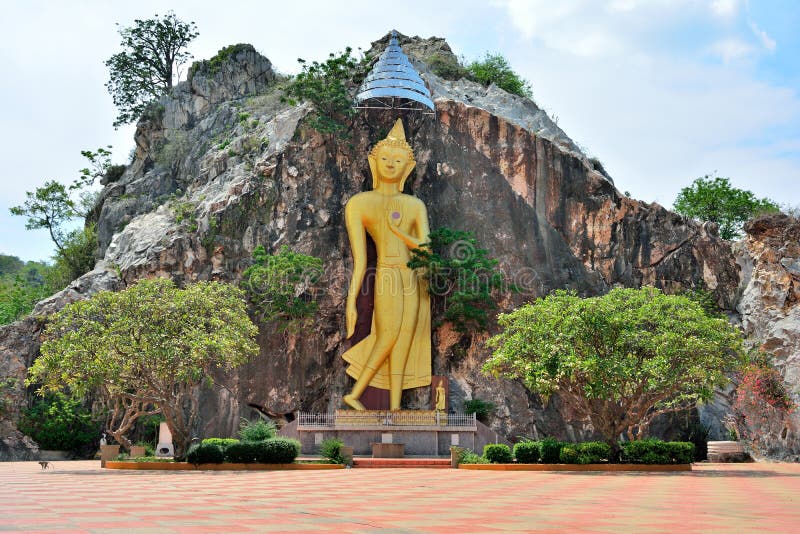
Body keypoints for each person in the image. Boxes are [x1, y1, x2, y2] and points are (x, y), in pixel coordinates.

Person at [342, 118, 431, 411]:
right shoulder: (359, 203)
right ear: (374, 162)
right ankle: (355, 394)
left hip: (413, 277)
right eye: (385, 158)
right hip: (387, 273)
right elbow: (360, 261)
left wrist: (399, 232)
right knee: (388, 335)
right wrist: (351, 304)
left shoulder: (415, 205)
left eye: (398, 159)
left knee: (405, 338)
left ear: (408, 167)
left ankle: (395, 408)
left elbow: (426, 249)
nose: (391, 164)